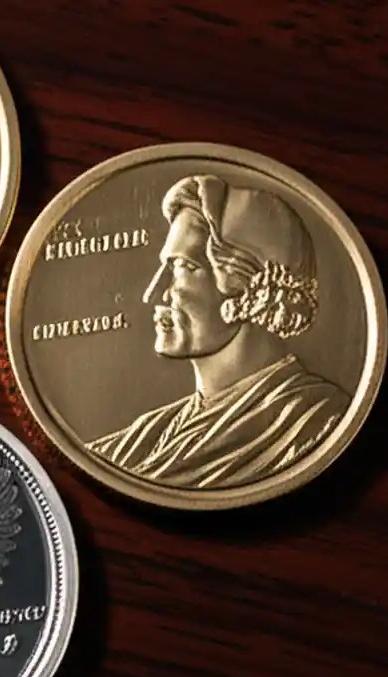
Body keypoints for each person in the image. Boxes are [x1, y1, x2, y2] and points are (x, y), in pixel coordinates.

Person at [87, 174, 350, 489]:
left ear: (250, 290)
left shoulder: (315, 419)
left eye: (185, 267)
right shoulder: (142, 437)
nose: (154, 294)